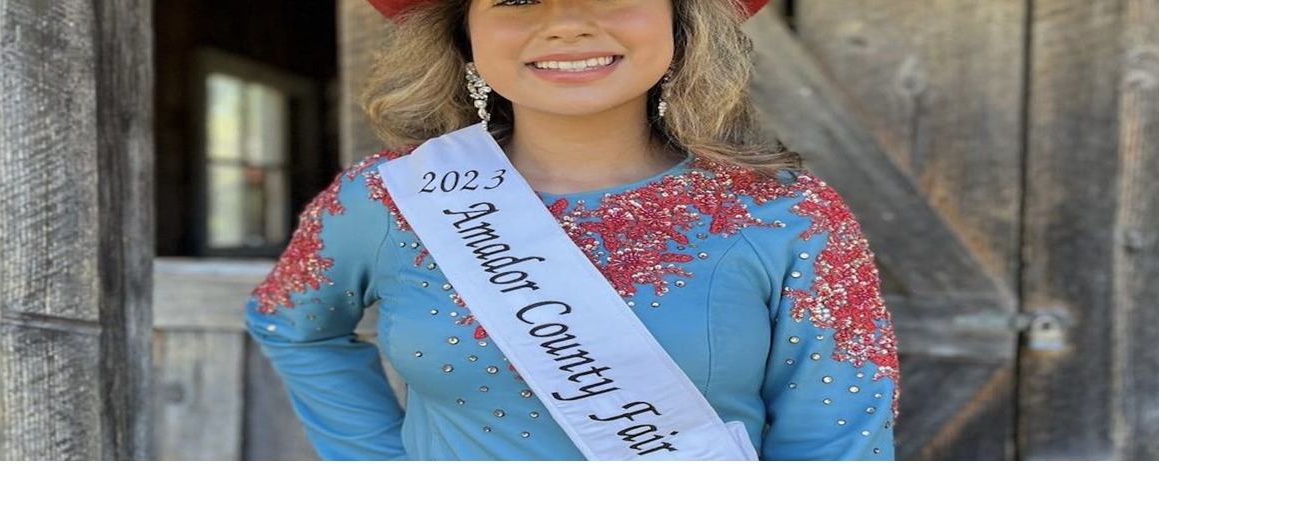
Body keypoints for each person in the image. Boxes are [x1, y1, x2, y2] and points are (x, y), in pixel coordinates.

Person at [245, 0, 901, 461]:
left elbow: (835, 439)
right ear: (464, 32)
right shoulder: (387, 200)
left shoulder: (789, 217)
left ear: (681, 17)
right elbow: (291, 323)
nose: (565, 23)